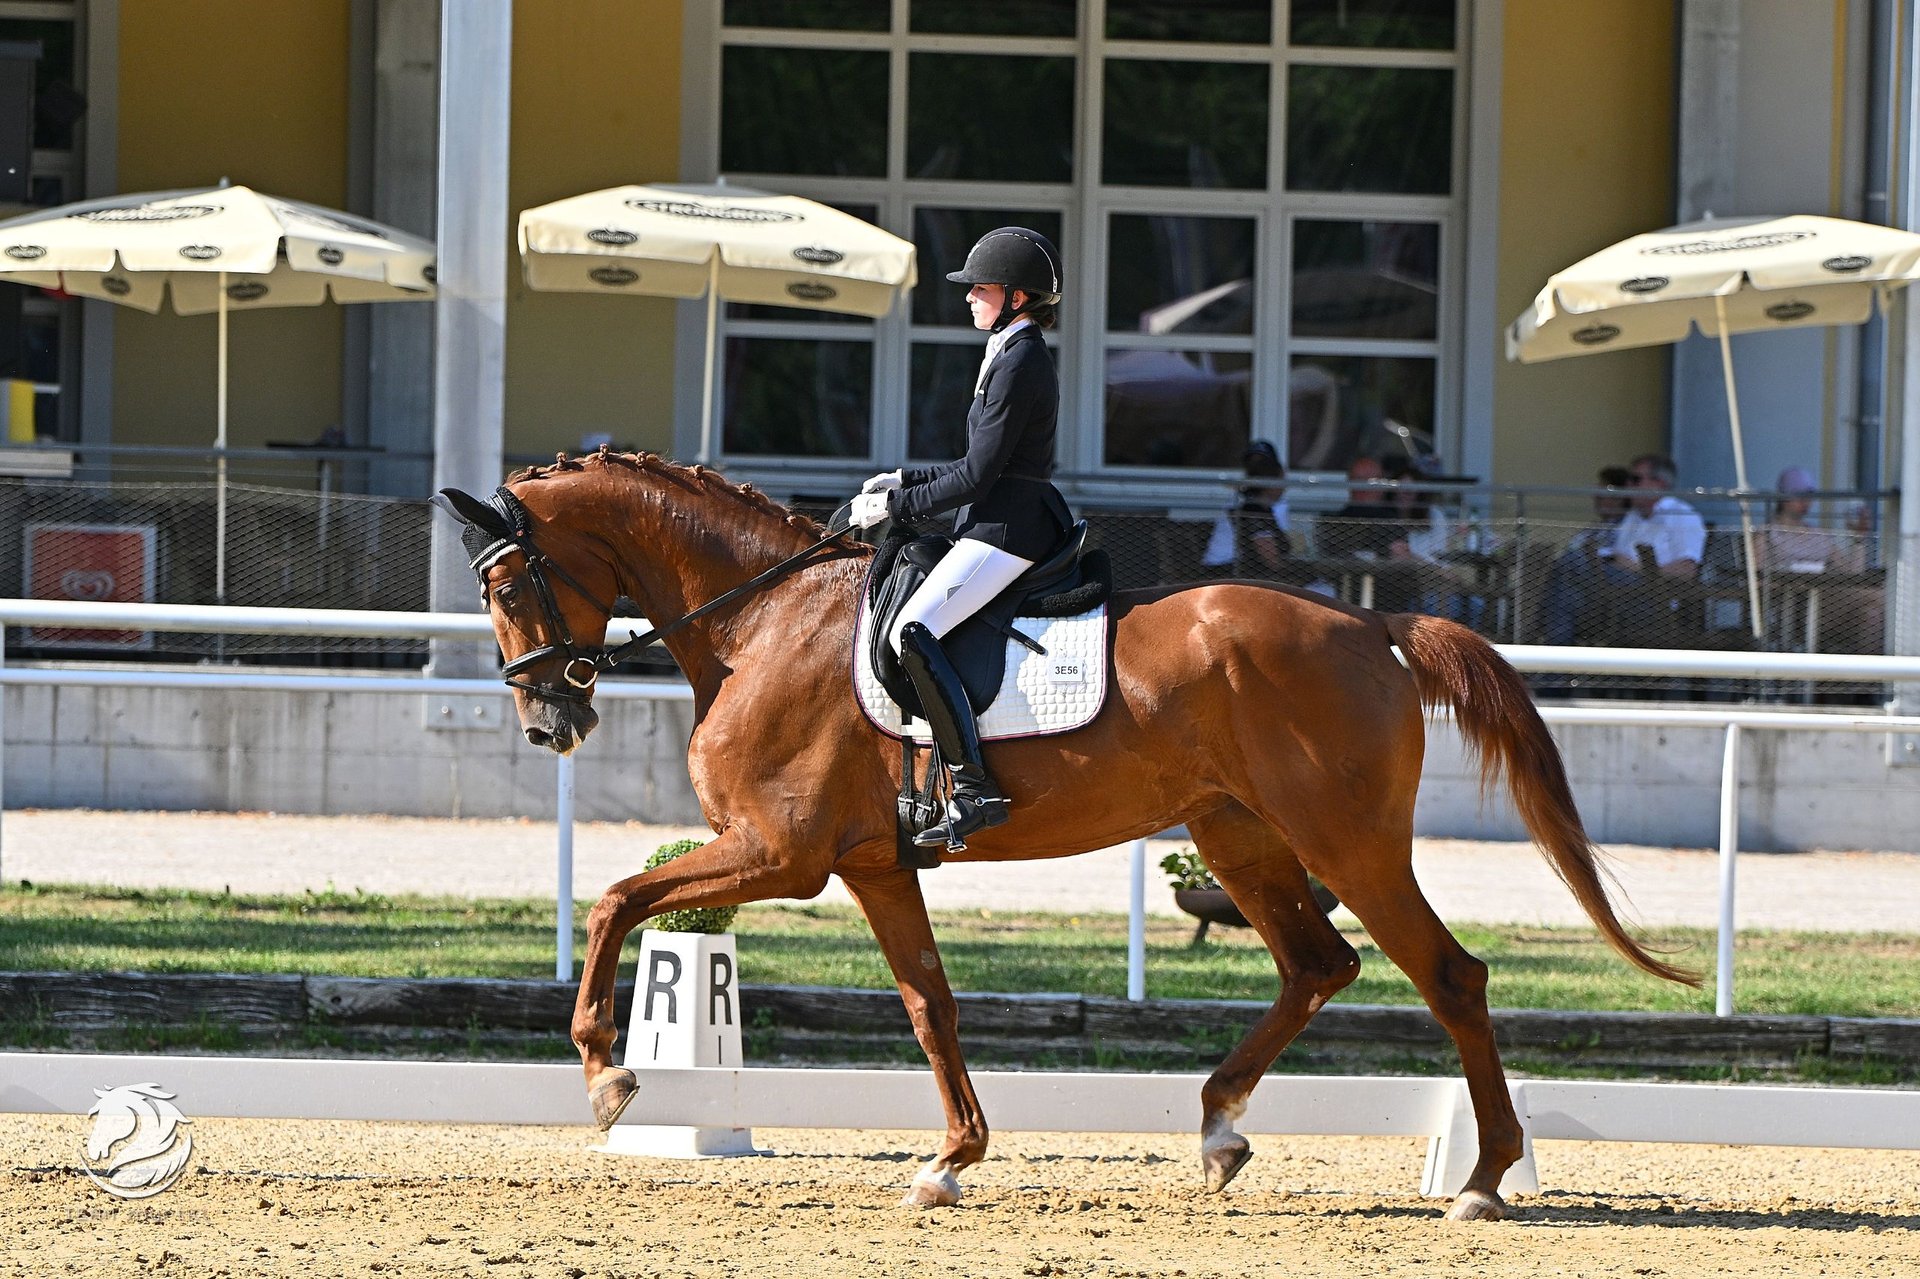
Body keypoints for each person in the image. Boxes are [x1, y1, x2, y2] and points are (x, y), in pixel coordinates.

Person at [847, 227, 1072, 851]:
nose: (970, 296)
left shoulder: (1021, 359)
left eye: (982, 287)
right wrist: (905, 476)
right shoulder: (1008, 347)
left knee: (911, 632)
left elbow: (978, 475)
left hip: (1008, 529)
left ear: (1019, 297)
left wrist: (895, 505)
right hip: (994, 517)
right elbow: (974, 461)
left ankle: (976, 788)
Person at [1536, 464, 1633, 647]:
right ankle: (1555, 650)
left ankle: (1552, 652)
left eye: (1603, 493)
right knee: (1558, 593)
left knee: (1561, 584)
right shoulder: (1591, 530)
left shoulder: (1630, 526)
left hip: (1613, 599)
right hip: (1580, 597)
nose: (1596, 499)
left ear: (1620, 497)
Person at [1200, 439, 1291, 578]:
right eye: (1254, 469)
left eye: (1264, 469)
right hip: (1225, 573)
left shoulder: (1268, 505)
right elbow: (1270, 558)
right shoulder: (1245, 505)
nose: (1259, 475)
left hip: (1247, 574)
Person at [1609, 453, 1705, 580]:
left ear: (1659, 484)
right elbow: (1618, 555)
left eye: (1635, 479)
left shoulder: (1681, 514)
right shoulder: (1633, 515)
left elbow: (1686, 570)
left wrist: (1637, 569)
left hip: (1653, 590)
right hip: (1618, 585)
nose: (1628, 485)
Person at [1759, 466, 1864, 575]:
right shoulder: (1767, 533)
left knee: (1872, 592)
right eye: (1798, 494)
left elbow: (1851, 573)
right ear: (1783, 496)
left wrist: (1859, 539)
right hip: (1784, 589)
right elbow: (1756, 577)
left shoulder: (1819, 536)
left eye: (1808, 494)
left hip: (1822, 589)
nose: (1805, 501)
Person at [1316, 455, 1400, 560]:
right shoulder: (1334, 523)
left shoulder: (1393, 522)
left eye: (1371, 482)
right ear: (1350, 483)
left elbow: (1400, 557)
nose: (1364, 489)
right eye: (1360, 480)